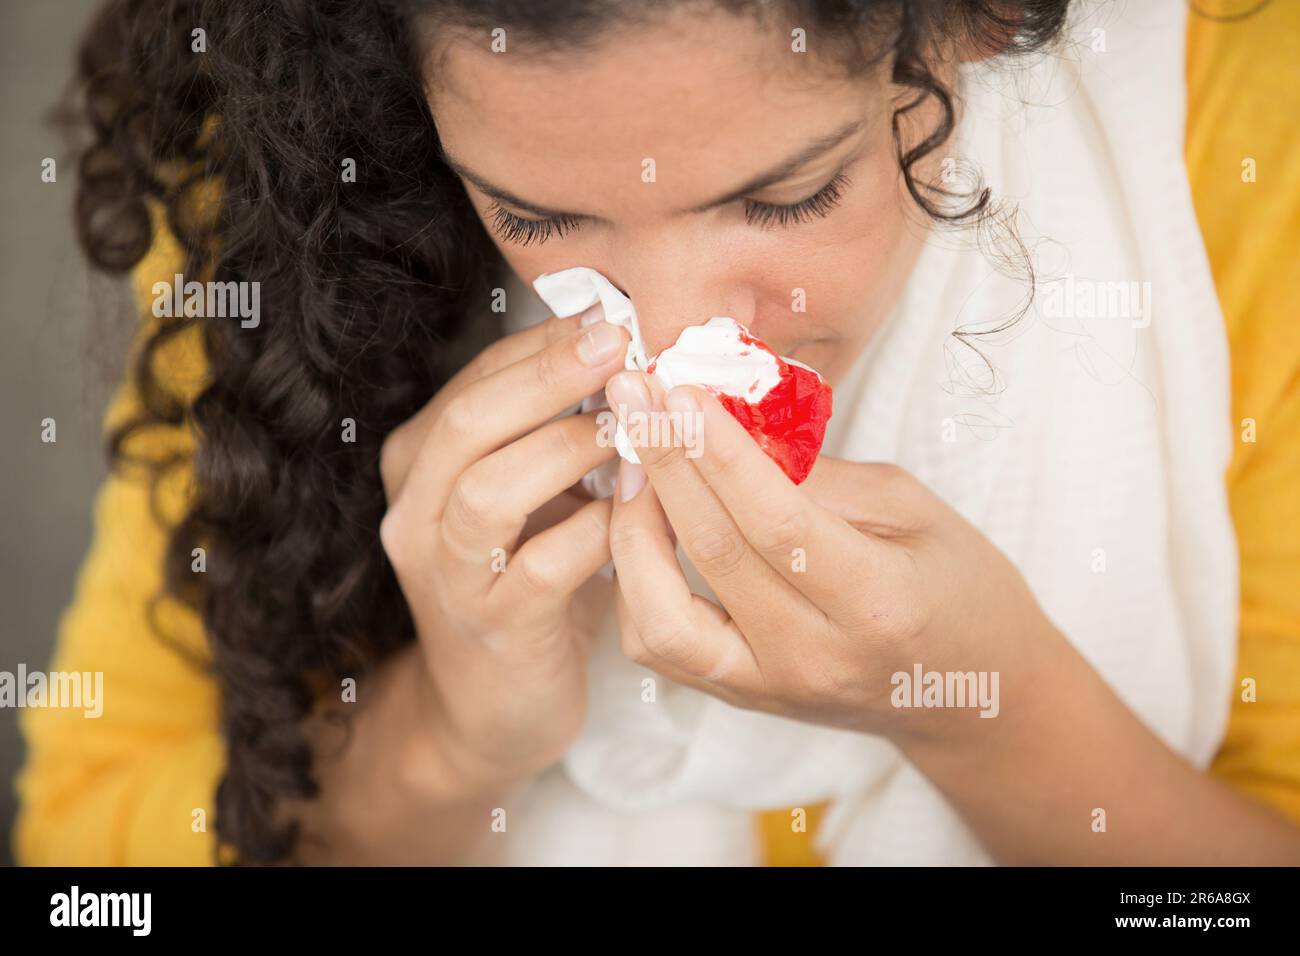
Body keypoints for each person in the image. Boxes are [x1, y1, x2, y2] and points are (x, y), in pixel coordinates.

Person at [14, 0, 1300, 865]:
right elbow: (84, 861)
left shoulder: (1250, 134)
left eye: (790, 196)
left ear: (973, 24)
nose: (670, 331)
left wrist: (983, 707)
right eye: (536, 218)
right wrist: (452, 731)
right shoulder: (297, 218)